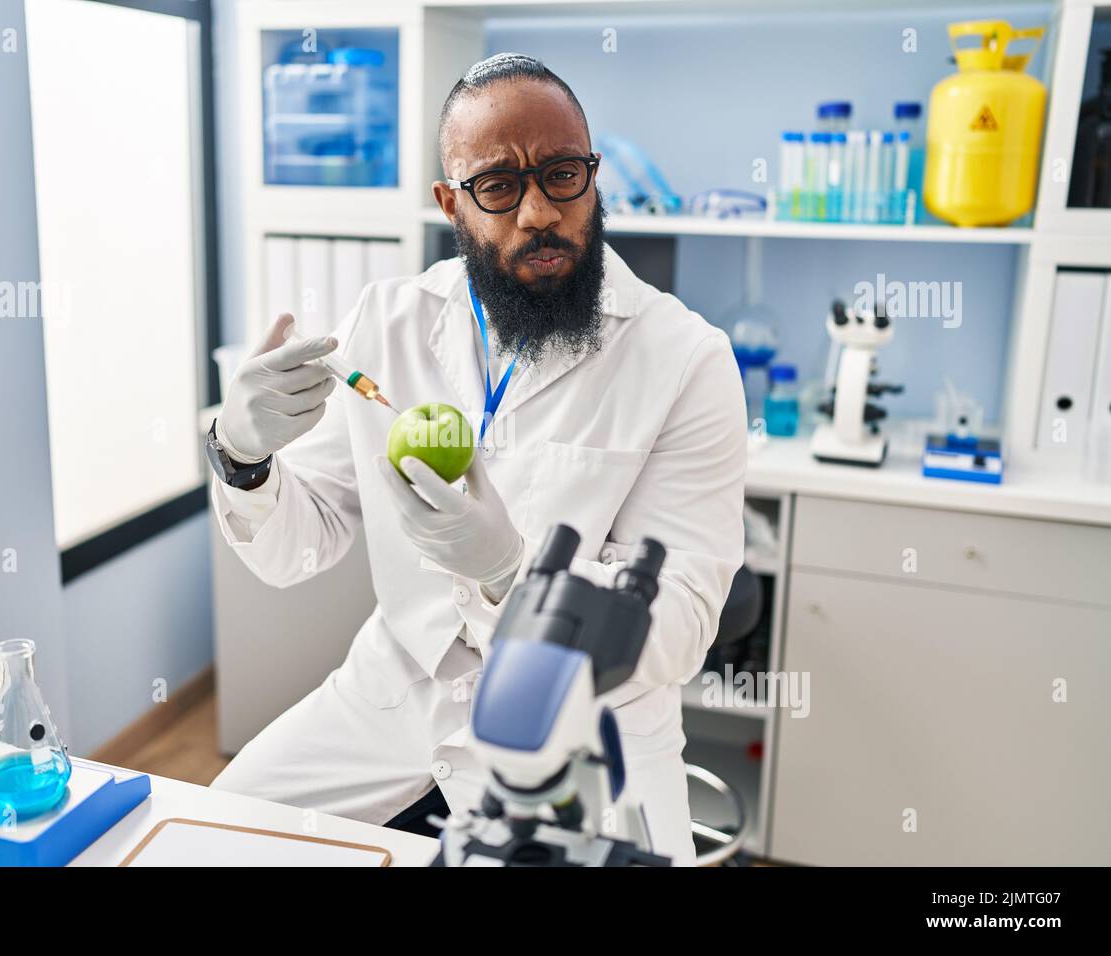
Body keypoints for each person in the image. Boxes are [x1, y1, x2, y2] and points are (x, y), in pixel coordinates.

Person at [207, 52, 746, 865]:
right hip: (401, 684)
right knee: (219, 835)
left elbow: (676, 632)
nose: (537, 212)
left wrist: (510, 575)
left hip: (585, 720)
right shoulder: (385, 322)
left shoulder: (686, 359)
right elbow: (296, 547)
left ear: (593, 181)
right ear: (450, 203)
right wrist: (243, 456)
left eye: (563, 174)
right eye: (497, 186)